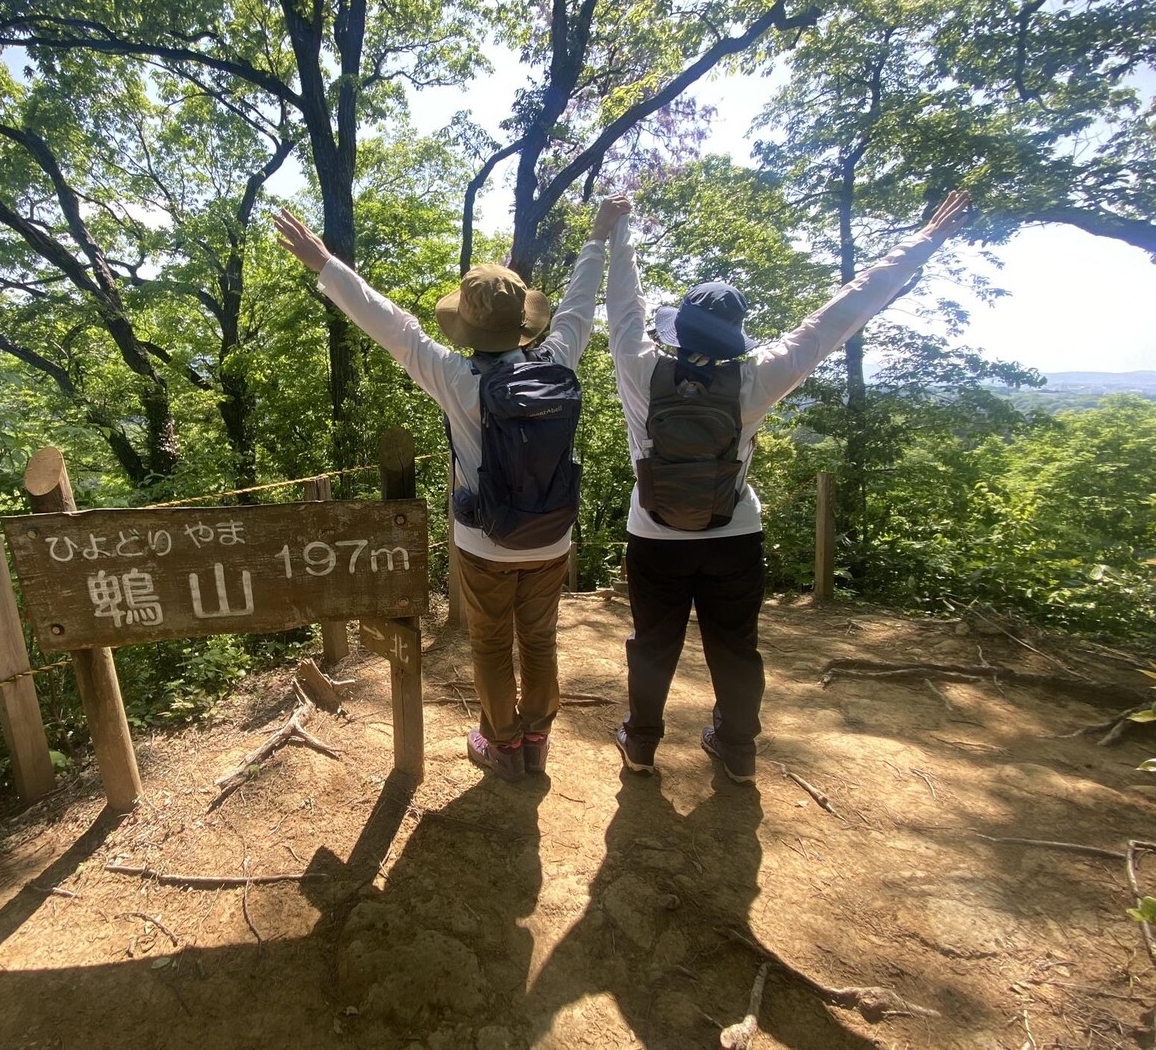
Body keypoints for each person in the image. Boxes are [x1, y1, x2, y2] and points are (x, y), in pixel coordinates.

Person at [605, 190, 972, 782]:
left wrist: (617, 231)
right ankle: (737, 749)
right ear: (733, 336)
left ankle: (642, 744)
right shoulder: (759, 377)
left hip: (655, 534)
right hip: (734, 533)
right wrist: (920, 245)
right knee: (735, 646)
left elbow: (624, 300)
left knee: (652, 643)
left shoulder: (638, 364)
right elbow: (841, 314)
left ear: (681, 327)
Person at [273, 196, 631, 780]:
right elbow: (578, 309)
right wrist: (597, 237)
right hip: (551, 537)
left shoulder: (452, 374)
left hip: (485, 542)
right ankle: (537, 738)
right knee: (538, 641)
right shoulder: (559, 359)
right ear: (524, 324)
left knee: (491, 644)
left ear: (467, 326)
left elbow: (390, 323)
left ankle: (504, 746)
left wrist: (325, 265)